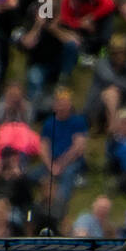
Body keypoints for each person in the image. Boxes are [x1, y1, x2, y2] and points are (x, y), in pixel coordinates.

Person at [39, 87, 89, 219]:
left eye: (65, 103)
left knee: (67, 176)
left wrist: (61, 164)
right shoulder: (49, 123)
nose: (62, 107)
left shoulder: (78, 121)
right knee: (32, 175)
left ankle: (60, 209)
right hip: (52, 162)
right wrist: (50, 165)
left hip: (71, 162)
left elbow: (78, 147)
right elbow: (43, 146)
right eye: (59, 103)